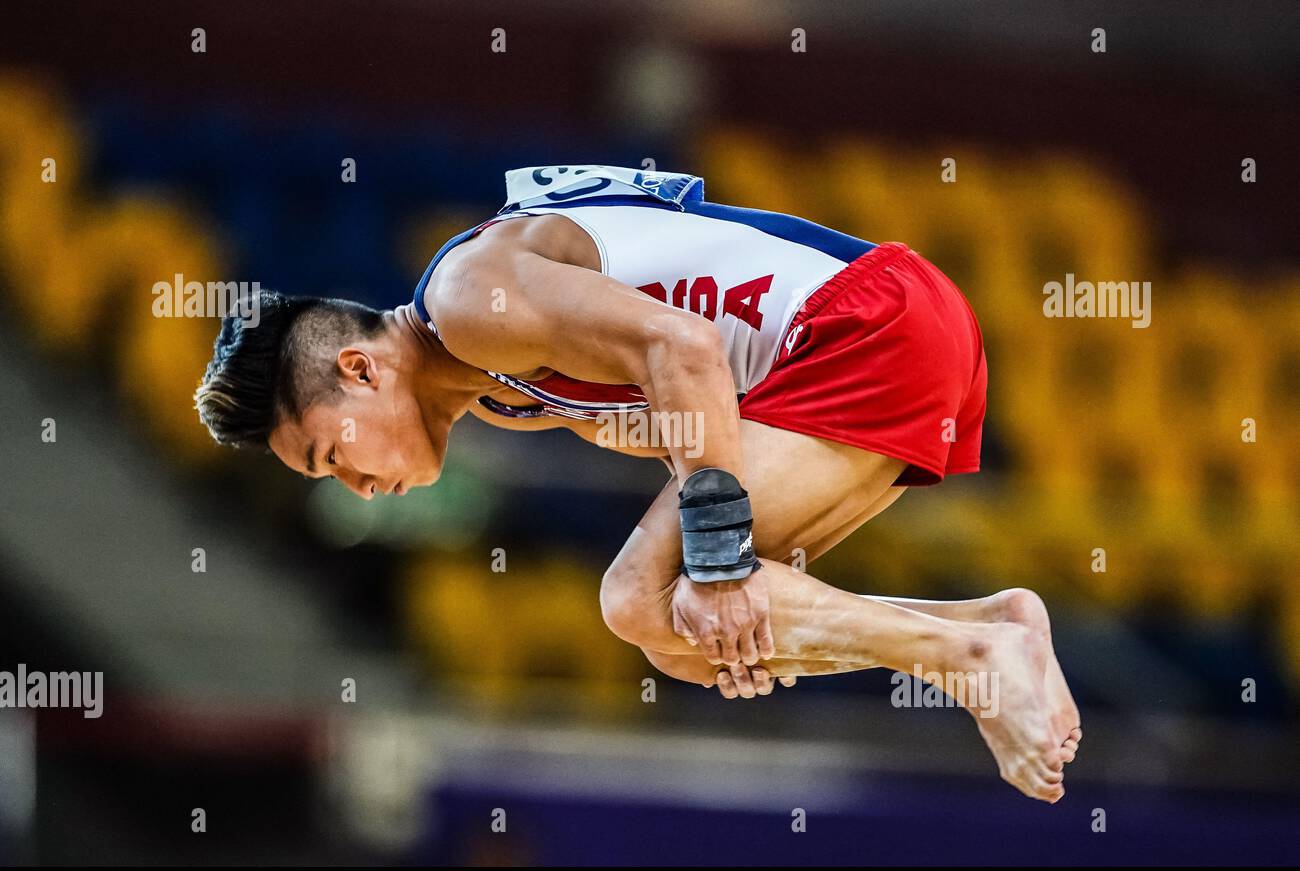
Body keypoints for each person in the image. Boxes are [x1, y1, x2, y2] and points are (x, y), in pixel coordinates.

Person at [196, 166, 1081, 802]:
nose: (353, 485)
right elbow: (690, 424)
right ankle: (987, 628)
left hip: (863, 325)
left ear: (359, 369)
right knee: (675, 638)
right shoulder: (505, 397)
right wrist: (728, 598)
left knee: (636, 597)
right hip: (890, 330)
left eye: (329, 454)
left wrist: (724, 562)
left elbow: (686, 350)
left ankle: (969, 658)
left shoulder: (467, 300)